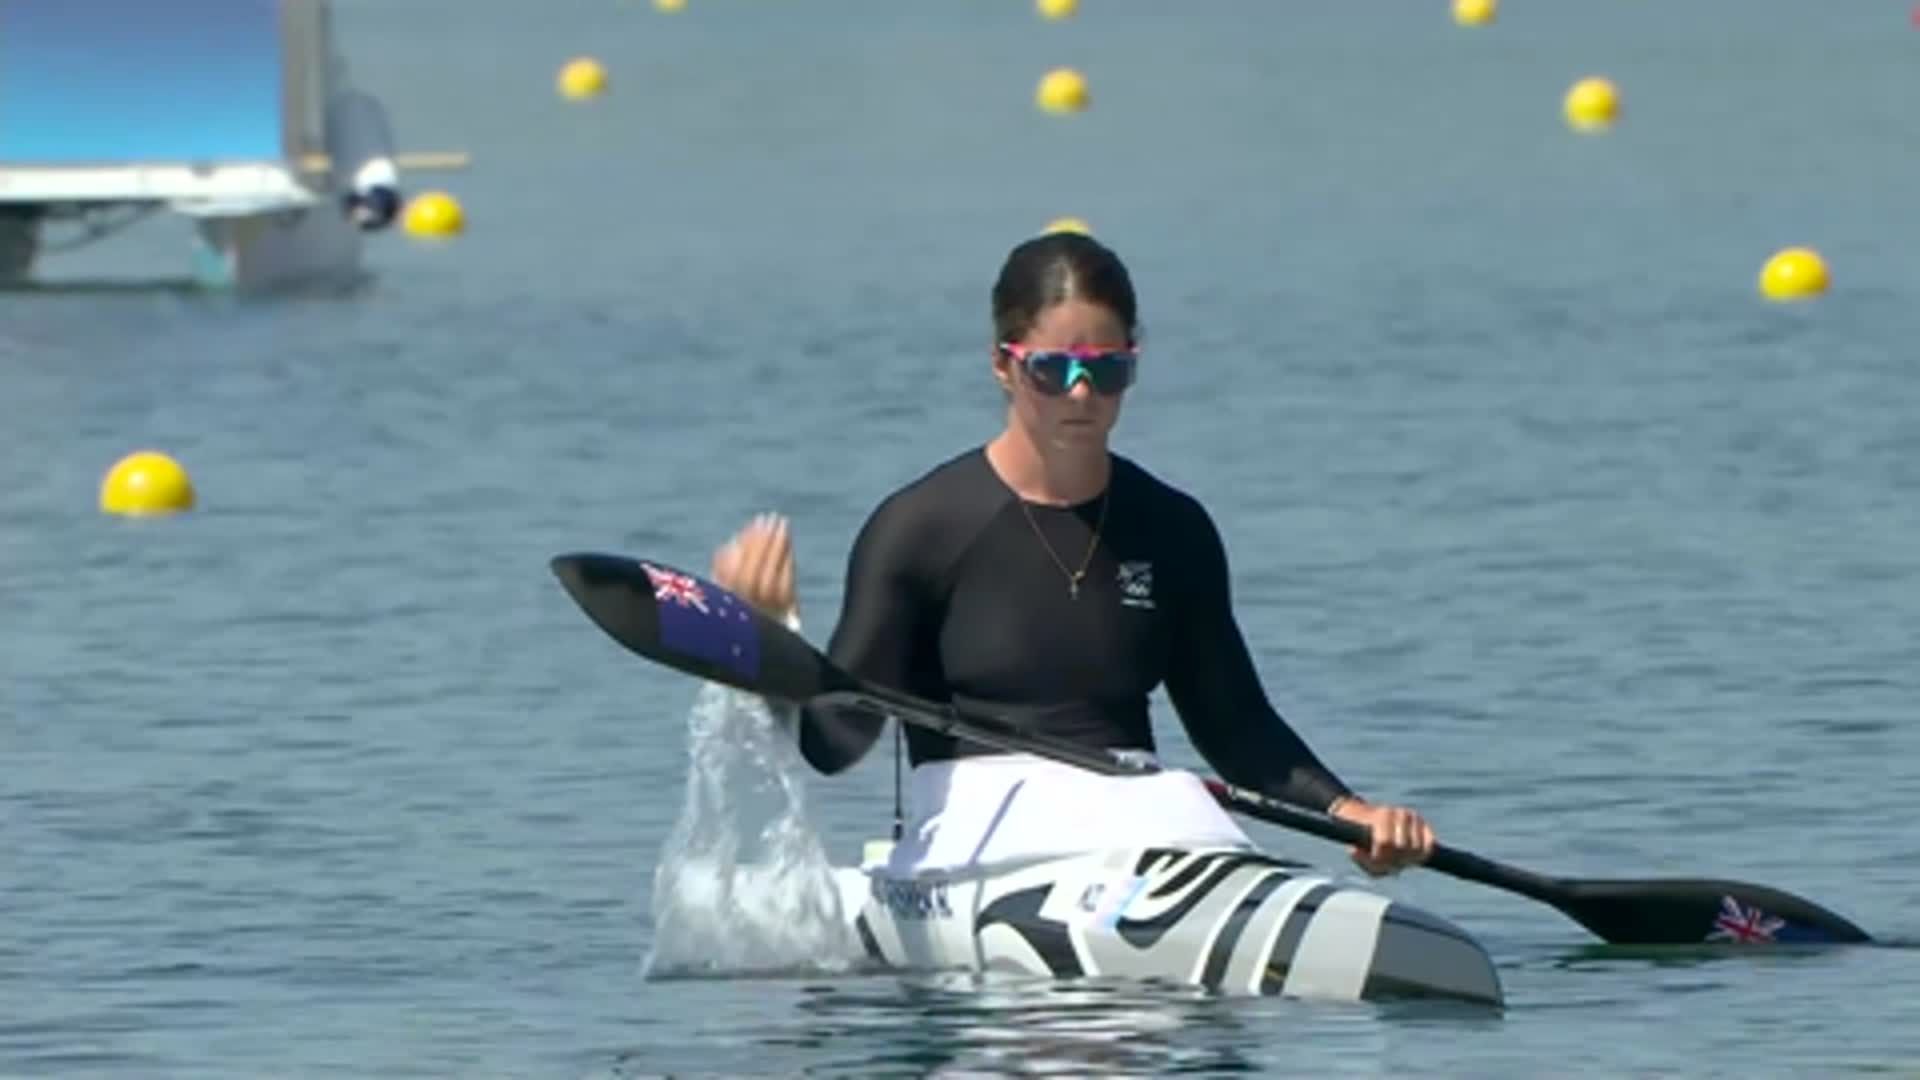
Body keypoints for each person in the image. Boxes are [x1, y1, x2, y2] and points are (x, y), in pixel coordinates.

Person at [711, 232, 1435, 877]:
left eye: (1107, 369)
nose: (1082, 393)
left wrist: (1349, 812)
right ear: (1003, 364)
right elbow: (836, 741)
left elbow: (1234, 725)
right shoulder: (921, 528)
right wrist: (768, 646)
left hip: (1147, 821)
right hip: (978, 832)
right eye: (1053, 370)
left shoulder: (1173, 528)